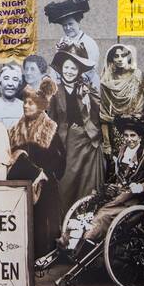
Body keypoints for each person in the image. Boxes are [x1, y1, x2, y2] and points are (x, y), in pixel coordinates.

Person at [38, 115, 144, 286]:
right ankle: (67, 241)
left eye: (133, 136)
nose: (129, 139)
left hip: (133, 203)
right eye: (126, 135)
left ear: (140, 137)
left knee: (101, 216)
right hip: (117, 196)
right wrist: (111, 186)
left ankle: (81, 246)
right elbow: (116, 176)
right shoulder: (121, 151)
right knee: (86, 210)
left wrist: (140, 187)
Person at [6, 78, 65, 255]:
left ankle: (45, 254)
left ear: (41, 106)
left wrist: (47, 173)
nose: (26, 106)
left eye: (31, 103)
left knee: (43, 221)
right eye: (25, 102)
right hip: (22, 182)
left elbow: (60, 158)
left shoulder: (49, 128)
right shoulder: (16, 129)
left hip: (45, 183)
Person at [48, 50, 102, 221]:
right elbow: (50, 120)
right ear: (61, 69)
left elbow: (100, 112)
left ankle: (85, 222)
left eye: (73, 68)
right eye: (66, 67)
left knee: (87, 184)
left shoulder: (86, 89)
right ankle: (65, 223)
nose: (69, 71)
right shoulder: (55, 92)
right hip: (65, 145)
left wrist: (88, 96)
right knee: (66, 184)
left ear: (78, 71)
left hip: (87, 143)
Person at [98, 43, 144, 157]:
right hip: (115, 131)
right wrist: (106, 144)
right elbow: (104, 115)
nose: (120, 59)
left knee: (138, 166)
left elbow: (142, 109)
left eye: (123, 55)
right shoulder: (106, 80)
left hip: (136, 129)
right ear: (112, 59)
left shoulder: (137, 76)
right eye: (116, 56)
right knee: (116, 166)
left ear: (129, 57)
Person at [44, 0, 100, 89]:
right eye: (64, 25)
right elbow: (56, 66)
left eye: (70, 24)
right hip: (64, 86)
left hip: (86, 86)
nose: (68, 28)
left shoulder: (89, 43)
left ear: (78, 23)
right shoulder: (62, 41)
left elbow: (91, 69)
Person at [0, 61, 25, 130]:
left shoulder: (25, 109)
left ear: (19, 84)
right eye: (6, 78)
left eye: (15, 79)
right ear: (0, 82)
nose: (10, 83)